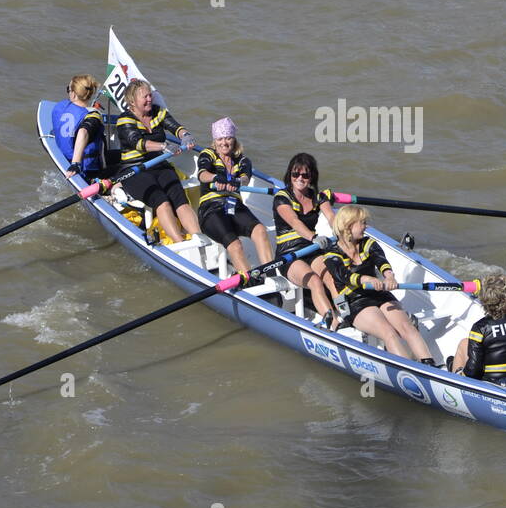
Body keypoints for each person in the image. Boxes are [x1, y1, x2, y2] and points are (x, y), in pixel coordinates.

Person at [323, 205, 435, 364]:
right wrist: (365, 279)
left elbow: (381, 261)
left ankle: (430, 365)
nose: (366, 226)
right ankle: (409, 371)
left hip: (379, 293)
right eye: (362, 223)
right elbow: (344, 276)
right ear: (348, 226)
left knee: (407, 327)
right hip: (355, 300)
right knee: (389, 333)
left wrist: (389, 277)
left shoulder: (368, 243)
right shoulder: (331, 254)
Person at [114, 78, 200, 243]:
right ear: (132, 101)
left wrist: (185, 135)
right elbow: (138, 143)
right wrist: (163, 146)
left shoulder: (158, 112)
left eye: (150, 95)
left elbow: (175, 127)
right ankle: (179, 243)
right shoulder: (124, 120)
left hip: (160, 165)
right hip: (134, 170)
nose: (149, 99)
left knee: (179, 199)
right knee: (162, 201)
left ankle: (200, 239)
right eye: (144, 97)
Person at [195, 118, 273, 274]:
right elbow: (202, 174)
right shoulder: (208, 154)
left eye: (228, 138)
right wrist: (215, 178)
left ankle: (271, 274)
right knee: (235, 245)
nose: (224, 142)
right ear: (215, 141)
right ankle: (249, 283)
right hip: (211, 210)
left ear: (234, 139)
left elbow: (245, 178)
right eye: (220, 139)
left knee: (260, 231)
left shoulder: (242, 160)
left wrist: (238, 181)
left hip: (235, 207)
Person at [272, 153, 339, 325]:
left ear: (312, 177)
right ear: (290, 175)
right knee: (315, 281)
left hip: (312, 250)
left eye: (305, 175)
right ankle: (332, 323)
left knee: (333, 277)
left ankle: (346, 315)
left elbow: (332, 218)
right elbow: (295, 222)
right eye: (296, 174)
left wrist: (344, 231)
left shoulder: (319, 197)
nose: (300, 178)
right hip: (289, 253)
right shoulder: (281, 198)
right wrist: (314, 237)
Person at [52, 74, 103, 180]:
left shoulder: (60, 106)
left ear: (74, 94)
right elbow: (83, 132)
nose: (68, 93)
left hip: (63, 156)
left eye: (68, 90)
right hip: (86, 170)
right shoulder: (92, 116)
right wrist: (75, 164)